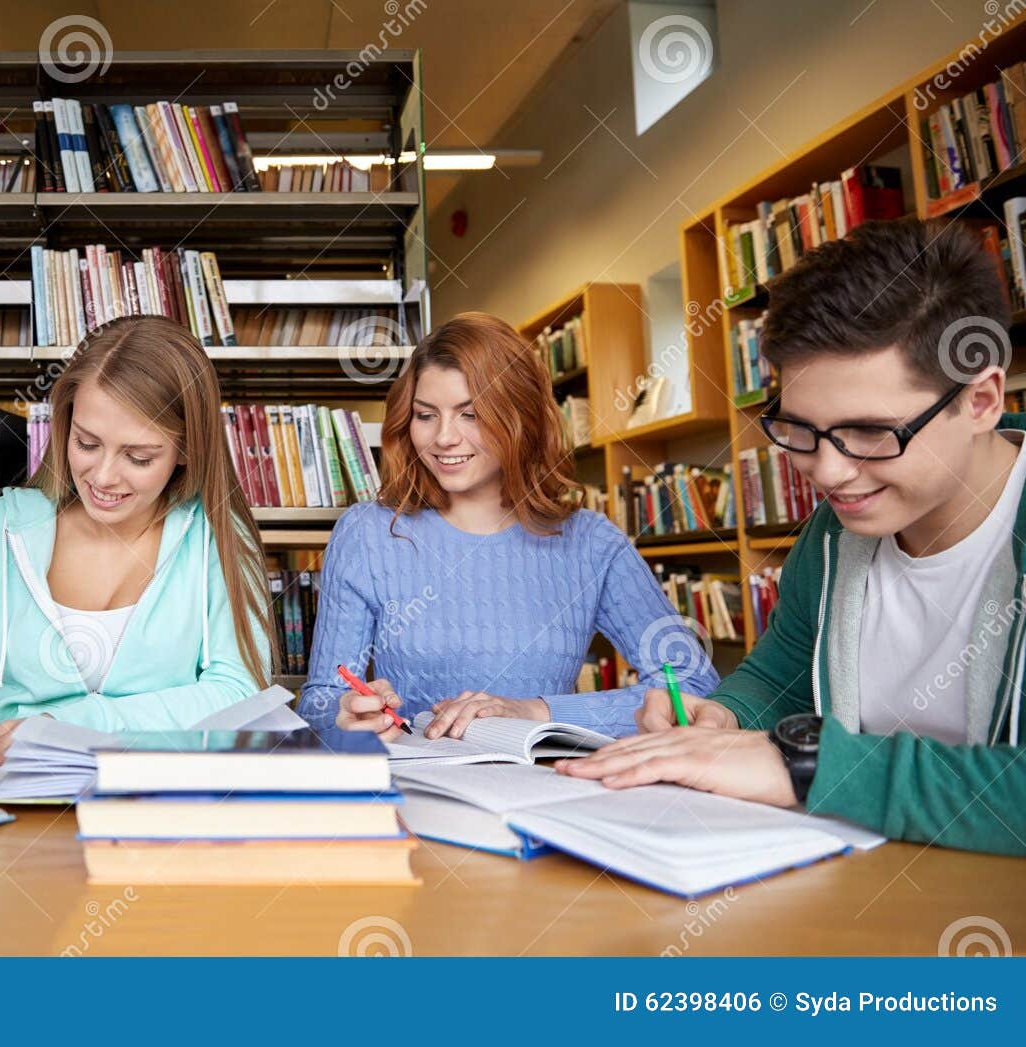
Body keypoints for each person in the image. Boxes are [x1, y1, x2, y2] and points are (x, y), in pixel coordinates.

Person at [560, 218, 1026, 855]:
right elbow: (783, 672)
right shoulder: (837, 532)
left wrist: (804, 766)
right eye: (800, 429)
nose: (830, 474)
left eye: (870, 432)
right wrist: (725, 717)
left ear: (980, 399)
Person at [0, 315, 275, 766]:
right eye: (87, 444)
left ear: (186, 450)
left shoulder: (216, 537)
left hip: (161, 799)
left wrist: (77, 725)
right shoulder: (2, 527)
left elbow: (240, 694)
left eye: (138, 456)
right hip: (11, 795)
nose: (103, 477)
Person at [301, 312, 718, 741]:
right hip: (413, 790)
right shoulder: (367, 533)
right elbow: (319, 698)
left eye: (471, 415)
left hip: (545, 790)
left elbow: (695, 688)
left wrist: (535, 711)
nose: (444, 438)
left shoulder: (591, 543)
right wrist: (347, 712)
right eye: (426, 416)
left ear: (520, 418)